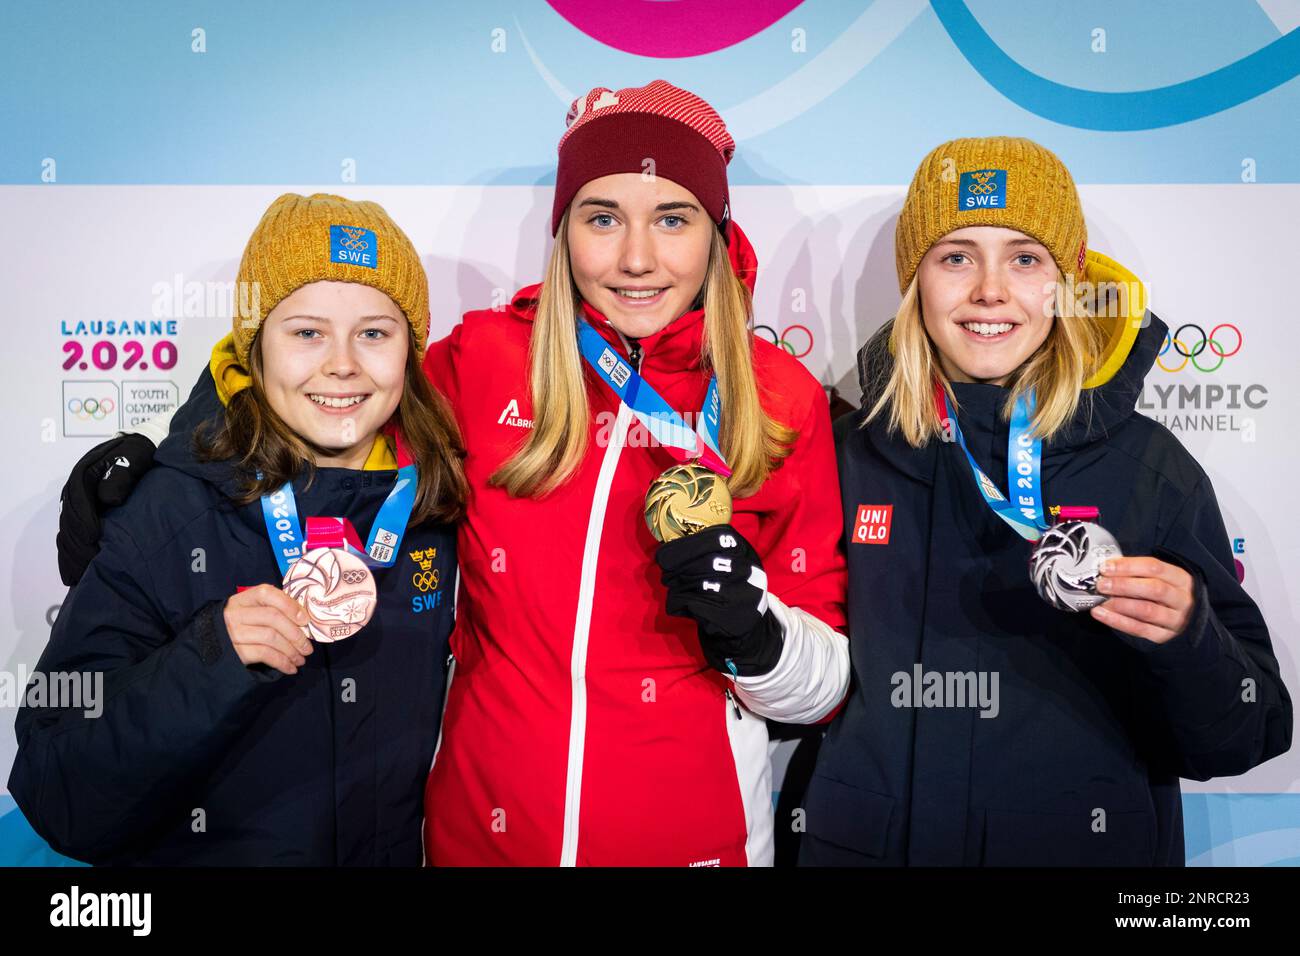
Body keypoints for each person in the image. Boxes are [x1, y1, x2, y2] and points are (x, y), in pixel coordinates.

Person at [50, 81, 850, 867]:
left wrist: (758, 634)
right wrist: (157, 468)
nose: (636, 258)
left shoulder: (783, 400)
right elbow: (329, 396)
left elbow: (824, 688)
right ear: (564, 229)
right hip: (480, 837)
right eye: (601, 218)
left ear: (714, 231)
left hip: (696, 841)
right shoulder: (484, 361)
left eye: (671, 219)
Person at [801, 136, 1292, 866]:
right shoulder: (849, 457)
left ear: (1067, 285)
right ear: (917, 284)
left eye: (1025, 259)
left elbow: (1246, 735)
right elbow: (793, 698)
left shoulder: (1148, 466)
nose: (989, 290)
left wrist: (1189, 637)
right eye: (956, 256)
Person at [11, 193, 466, 864]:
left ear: (410, 350)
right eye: (306, 332)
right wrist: (210, 660)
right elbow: (57, 789)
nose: (342, 363)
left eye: (374, 332)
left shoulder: (436, 507)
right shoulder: (166, 510)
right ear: (254, 347)